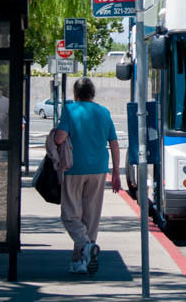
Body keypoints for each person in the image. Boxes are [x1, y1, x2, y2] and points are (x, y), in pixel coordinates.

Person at [53, 77, 120, 274]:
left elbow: (60, 138)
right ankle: (79, 261)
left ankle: (86, 247)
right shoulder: (103, 112)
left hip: (74, 168)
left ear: (75, 93)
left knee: (70, 215)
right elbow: (114, 144)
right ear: (93, 93)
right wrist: (116, 172)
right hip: (99, 168)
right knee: (91, 216)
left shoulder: (70, 110)